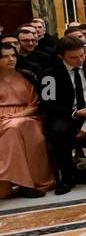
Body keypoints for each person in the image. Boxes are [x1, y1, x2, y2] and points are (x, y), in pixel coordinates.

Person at [39, 35, 86, 194]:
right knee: (58, 132)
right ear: (61, 56)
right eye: (73, 57)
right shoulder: (49, 74)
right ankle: (67, 177)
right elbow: (47, 103)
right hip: (67, 114)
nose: (80, 60)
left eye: (82, 55)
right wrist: (74, 113)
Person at [0, 41, 55, 197]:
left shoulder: (27, 76)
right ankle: (14, 181)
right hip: (2, 118)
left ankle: (31, 182)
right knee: (11, 129)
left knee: (19, 129)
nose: (11, 59)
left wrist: (18, 115)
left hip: (28, 116)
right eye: (4, 57)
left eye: (13, 56)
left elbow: (38, 104)